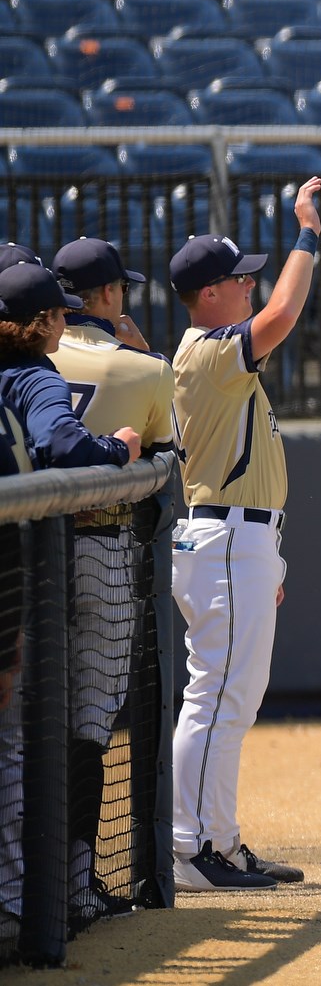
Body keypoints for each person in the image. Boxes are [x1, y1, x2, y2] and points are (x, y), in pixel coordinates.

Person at [167, 178, 321, 892]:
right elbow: (287, 309)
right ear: (207, 293)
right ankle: (192, 846)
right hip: (225, 539)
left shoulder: (212, 356)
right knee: (218, 697)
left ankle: (219, 842)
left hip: (241, 540)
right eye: (237, 279)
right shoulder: (205, 352)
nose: (250, 286)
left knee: (232, 696)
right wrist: (305, 234)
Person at [0, 247, 141, 942]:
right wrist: (114, 449)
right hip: (30, 569)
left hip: (27, 563)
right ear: (48, 319)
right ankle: (46, 893)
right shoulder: (35, 375)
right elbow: (58, 441)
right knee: (40, 733)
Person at [49, 236, 179, 928]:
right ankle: (74, 885)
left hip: (25, 565)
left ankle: (24, 885)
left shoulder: (25, 357)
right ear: (105, 296)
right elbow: (165, 455)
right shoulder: (144, 369)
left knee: (22, 725)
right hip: (101, 549)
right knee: (90, 729)